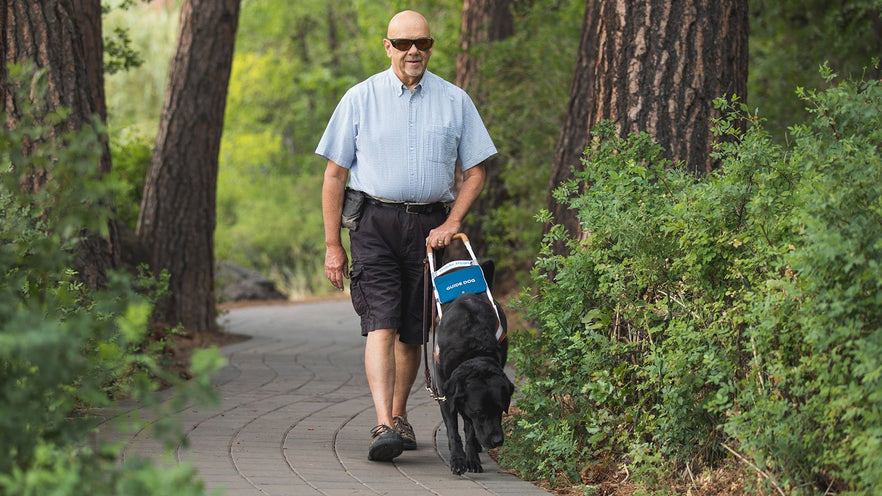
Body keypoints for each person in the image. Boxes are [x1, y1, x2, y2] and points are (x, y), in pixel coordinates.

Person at [315, 10, 497, 462]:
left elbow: (475, 173)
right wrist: (332, 244)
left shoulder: (455, 101)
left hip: (430, 228)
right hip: (374, 223)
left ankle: (399, 417)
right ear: (387, 46)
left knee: (413, 330)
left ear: (431, 46)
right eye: (402, 43)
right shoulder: (359, 99)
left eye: (422, 43)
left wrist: (453, 221)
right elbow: (334, 176)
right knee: (382, 320)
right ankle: (382, 423)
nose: (413, 51)